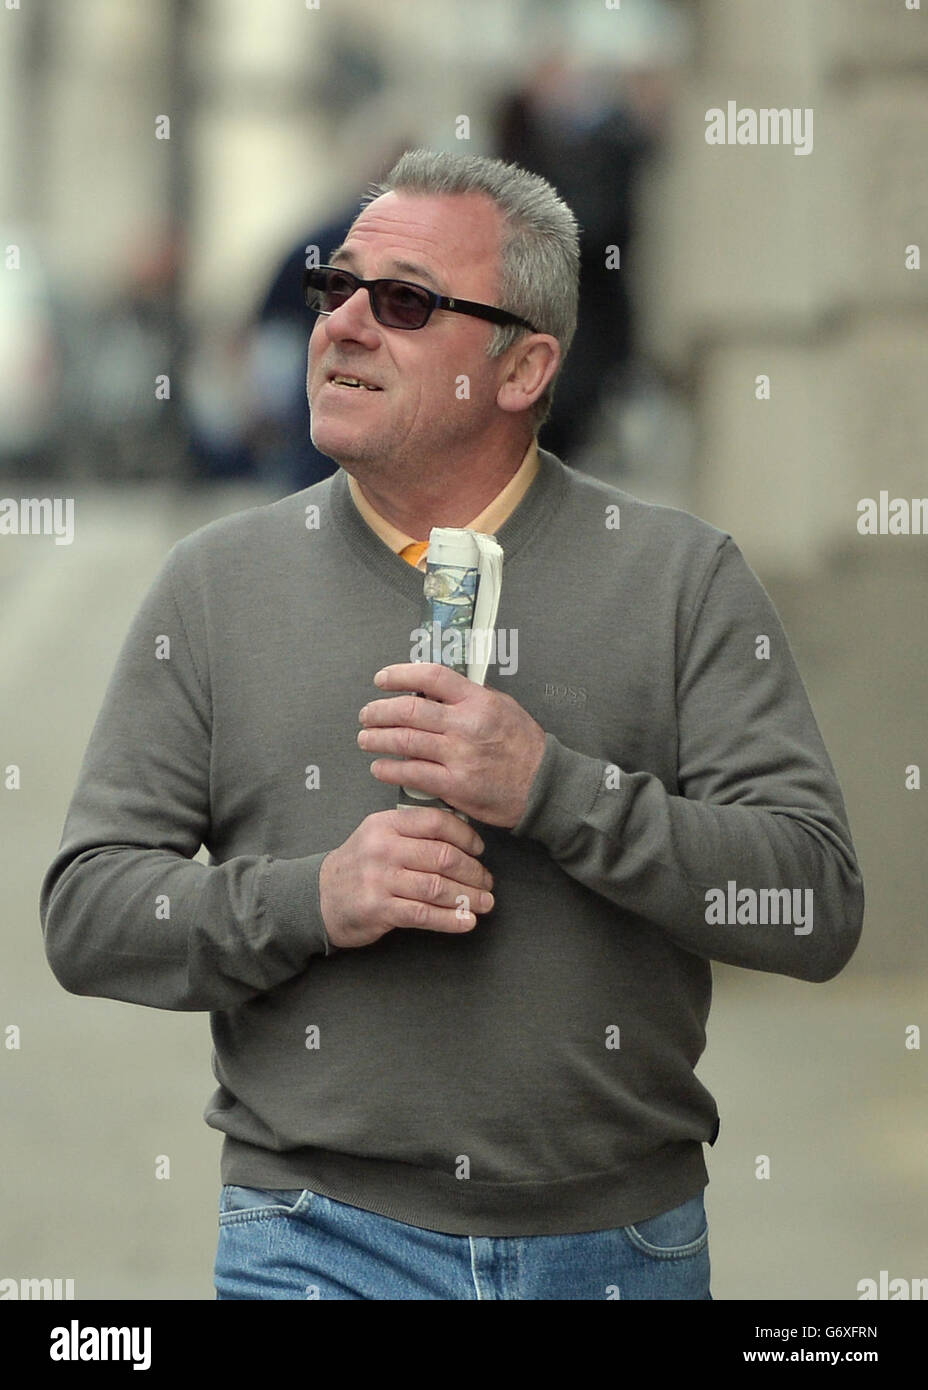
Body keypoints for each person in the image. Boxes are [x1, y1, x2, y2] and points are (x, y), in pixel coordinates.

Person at [39, 149, 864, 1301]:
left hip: (621, 1244)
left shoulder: (681, 579)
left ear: (523, 366)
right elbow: (86, 914)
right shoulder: (215, 587)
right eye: (337, 288)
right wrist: (312, 898)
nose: (343, 326)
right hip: (314, 1234)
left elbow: (814, 903)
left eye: (407, 301)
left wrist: (555, 790)